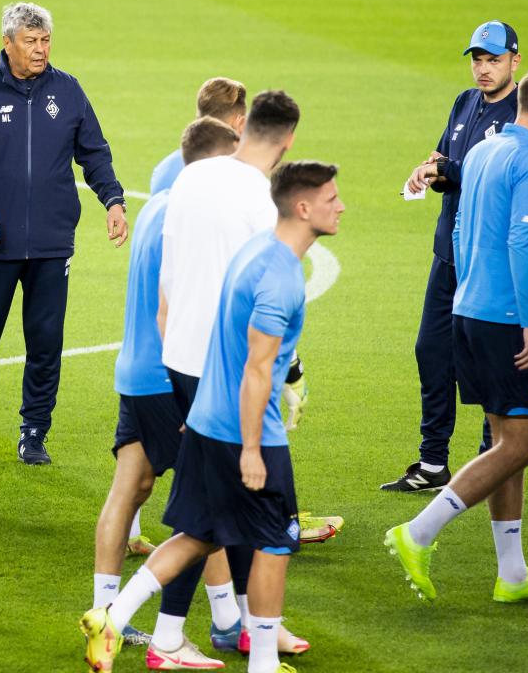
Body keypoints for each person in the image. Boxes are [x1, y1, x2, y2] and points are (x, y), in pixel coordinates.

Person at [80, 161, 344, 673]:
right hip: (246, 430)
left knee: (198, 534)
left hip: (204, 417)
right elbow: (258, 370)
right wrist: (251, 449)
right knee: (272, 542)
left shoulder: (252, 253)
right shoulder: (282, 277)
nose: (341, 206)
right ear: (303, 207)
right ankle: (262, 661)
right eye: (332, 198)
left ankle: (112, 617)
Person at [384, 64, 528, 605]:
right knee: (523, 444)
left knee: (504, 441)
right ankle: (418, 531)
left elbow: (462, 231)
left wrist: (470, 294)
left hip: (468, 306)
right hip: (502, 317)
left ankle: (512, 573)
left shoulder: (481, 153)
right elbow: (524, 248)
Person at [156, 91, 313, 659]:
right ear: (289, 139)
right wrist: (287, 371)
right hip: (228, 368)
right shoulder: (266, 197)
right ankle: (174, 632)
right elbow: (267, 297)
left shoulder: (190, 176)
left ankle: (244, 622)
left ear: (243, 126)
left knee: (223, 506)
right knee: (222, 509)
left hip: (180, 359)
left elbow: (167, 281)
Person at [0, 2, 128, 466]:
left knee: (45, 340)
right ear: (7, 43)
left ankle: (34, 432)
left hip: (51, 244)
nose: (40, 50)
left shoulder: (67, 92)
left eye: (45, 41)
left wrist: (113, 200)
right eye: (30, 42)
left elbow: (95, 153)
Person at [92, 116, 241, 658]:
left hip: (133, 371)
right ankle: (224, 618)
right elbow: (177, 308)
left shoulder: (155, 206)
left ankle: (103, 610)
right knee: (208, 501)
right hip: (167, 375)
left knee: (129, 489)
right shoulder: (187, 215)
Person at [385, 20, 521, 493]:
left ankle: (491, 460)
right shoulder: (465, 102)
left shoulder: (521, 116)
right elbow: (444, 154)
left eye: (493, 60)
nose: (483, 69)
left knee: (486, 360)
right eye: (478, 60)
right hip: (449, 252)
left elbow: (495, 178)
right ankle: (432, 463)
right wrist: (429, 170)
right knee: (431, 349)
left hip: (488, 258)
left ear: (514, 61)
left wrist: (449, 169)